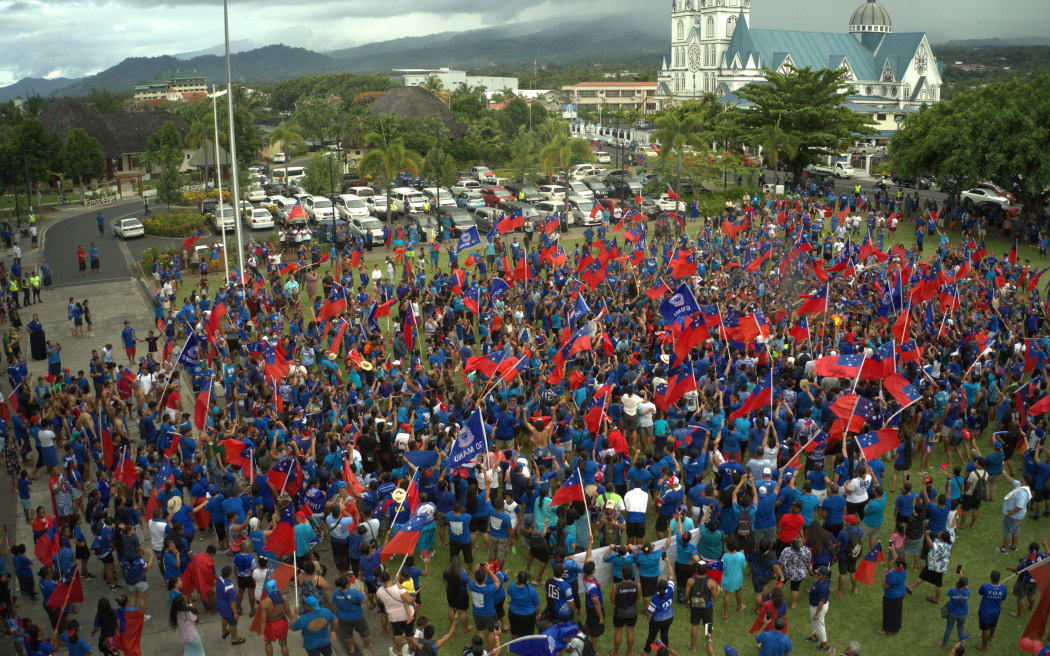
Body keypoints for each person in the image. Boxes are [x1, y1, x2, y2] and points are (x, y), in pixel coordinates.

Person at [610, 565, 639, 656]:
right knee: (630, 631)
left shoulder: (616, 586)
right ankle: (629, 652)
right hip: (632, 612)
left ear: (622, 575)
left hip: (619, 613)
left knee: (618, 632)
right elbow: (637, 598)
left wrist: (620, 604)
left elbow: (612, 600)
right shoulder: (637, 585)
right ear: (631, 575)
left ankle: (615, 652)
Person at [976, 570, 1007, 652]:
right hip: (996, 612)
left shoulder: (985, 587)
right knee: (993, 625)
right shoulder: (1003, 588)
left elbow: (980, 592)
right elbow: (1003, 598)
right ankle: (990, 637)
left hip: (985, 613)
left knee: (985, 629)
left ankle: (984, 647)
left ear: (991, 578)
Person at [506, 570, 540, 638]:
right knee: (528, 636)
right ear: (527, 579)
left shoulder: (511, 586)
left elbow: (510, 593)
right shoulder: (532, 590)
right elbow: (537, 606)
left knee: (514, 634)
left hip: (514, 614)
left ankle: (514, 647)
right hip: (528, 616)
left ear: (518, 578)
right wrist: (538, 613)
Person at [880, 558, 907, 635]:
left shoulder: (893, 575)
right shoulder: (904, 570)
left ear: (896, 565)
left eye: (894, 561)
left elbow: (886, 585)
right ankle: (898, 624)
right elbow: (896, 557)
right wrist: (892, 549)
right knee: (897, 611)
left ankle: (887, 630)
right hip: (900, 594)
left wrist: (883, 574)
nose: (893, 560)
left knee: (888, 613)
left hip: (891, 597)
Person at [942, 577, 970, 648]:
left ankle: (943, 644)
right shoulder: (967, 592)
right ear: (965, 585)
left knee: (949, 628)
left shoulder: (952, 591)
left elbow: (949, 594)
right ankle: (962, 643)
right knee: (961, 628)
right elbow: (966, 587)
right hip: (963, 613)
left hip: (952, 613)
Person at [807, 565, 831, 651]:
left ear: (824, 576)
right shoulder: (821, 580)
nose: (817, 575)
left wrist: (816, 614)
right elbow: (815, 585)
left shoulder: (824, 587)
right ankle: (814, 637)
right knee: (813, 622)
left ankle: (825, 645)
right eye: (817, 573)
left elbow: (821, 602)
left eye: (819, 574)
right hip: (815, 606)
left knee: (820, 625)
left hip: (818, 608)